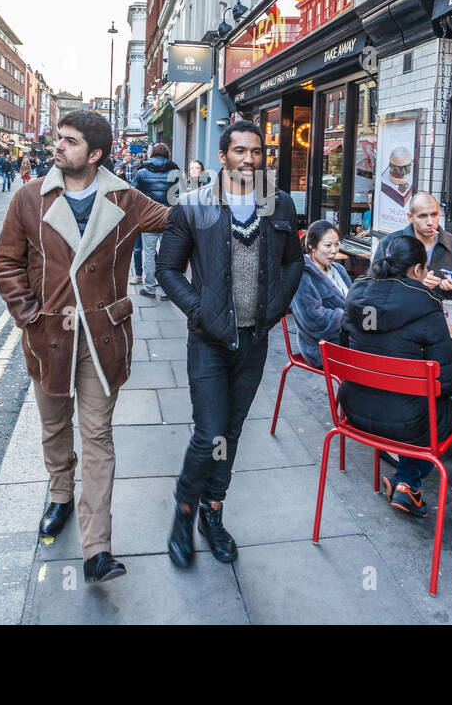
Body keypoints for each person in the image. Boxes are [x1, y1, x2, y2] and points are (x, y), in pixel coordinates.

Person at [0, 111, 171, 584]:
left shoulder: (125, 200)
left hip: (102, 336)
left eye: (69, 142)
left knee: (97, 436)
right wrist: (29, 316)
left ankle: (97, 548)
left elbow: (176, 222)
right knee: (54, 429)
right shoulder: (29, 198)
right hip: (48, 335)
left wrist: (230, 198)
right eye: (59, 139)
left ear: (94, 154)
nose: (58, 147)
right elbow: (6, 263)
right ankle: (59, 495)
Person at [157, 119, 302, 567]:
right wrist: (198, 311)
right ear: (223, 156)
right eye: (239, 151)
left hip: (254, 339)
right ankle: (183, 515)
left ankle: (212, 513)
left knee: (232, 431)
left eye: (256, 152)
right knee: (209, 433)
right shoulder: (192, 206)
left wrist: (276, 305)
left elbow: (294, 262)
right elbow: (166, 269)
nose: (249, 159)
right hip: (208, 339)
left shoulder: (280, 206)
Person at [336, 235, 452, 516]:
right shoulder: (427, 305)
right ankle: (407, 482)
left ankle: (407, 484)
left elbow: (344, 347)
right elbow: (445, 382)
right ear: (418, 271)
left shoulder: (356, 294)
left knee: (412, 404)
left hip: (354, 412)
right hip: (407, 424)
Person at [373, 193, 452, 299]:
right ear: (410, 217)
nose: (430, 222)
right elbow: (374, 285)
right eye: (423, 216)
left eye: (434, 215)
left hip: (438, 312)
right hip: (400, 312)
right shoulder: (390, 242)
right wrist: (416, 282)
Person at [290, 220, 352, 368]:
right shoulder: (302, 274)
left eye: (336, 244)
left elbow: (355, 301)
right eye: (328, 245)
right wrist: (351, 318)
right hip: (320, 347)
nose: (334, 250)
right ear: (311, 246)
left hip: (348, 337)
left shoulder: (339, 269)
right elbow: (313, 319)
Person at [133, 142, 181, 300]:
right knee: (167, 256)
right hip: (169, 217)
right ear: (167, 154)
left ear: (151, 154)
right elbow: (181, 195)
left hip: (149, 219)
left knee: (149, 254)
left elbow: (133, 193)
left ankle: (150, 289)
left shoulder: (142, 173)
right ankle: (167, 291)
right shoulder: (175, 172)